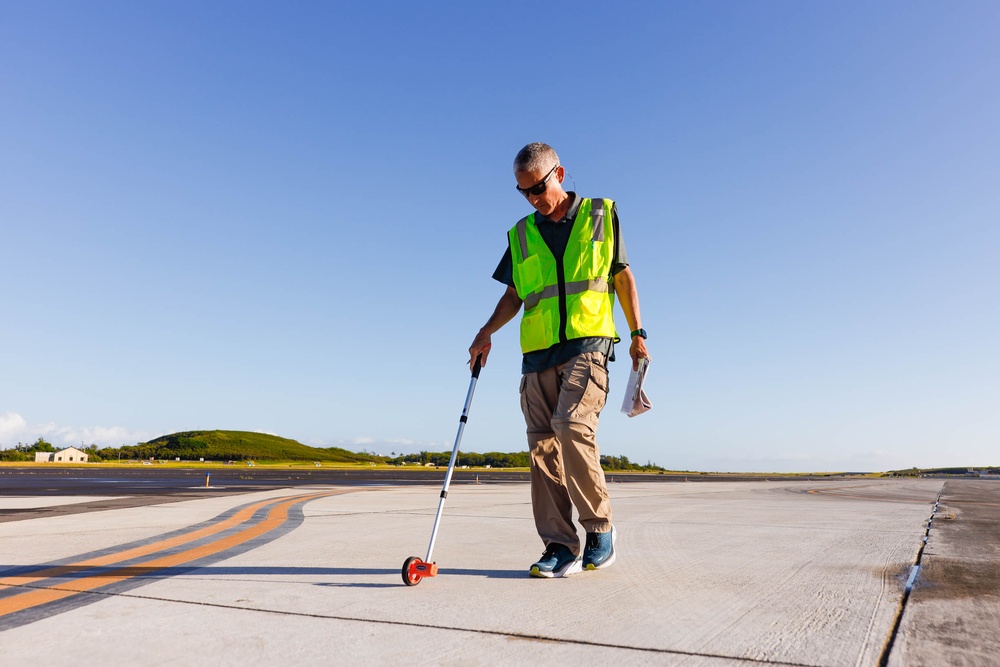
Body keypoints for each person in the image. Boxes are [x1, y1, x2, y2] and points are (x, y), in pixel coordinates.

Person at [468, 142, 649, 578]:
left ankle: (600, 527)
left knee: (571, 427)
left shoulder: (600, 214)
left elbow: (621, 274)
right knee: (541, 449)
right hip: (536, 357)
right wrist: (485, 332)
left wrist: (637, 332)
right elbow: (514, 295)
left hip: (588, 346)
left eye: (538, 188)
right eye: (523, 192)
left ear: (560, 174)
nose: (533, 199)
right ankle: (559, 546)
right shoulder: (521, 234)